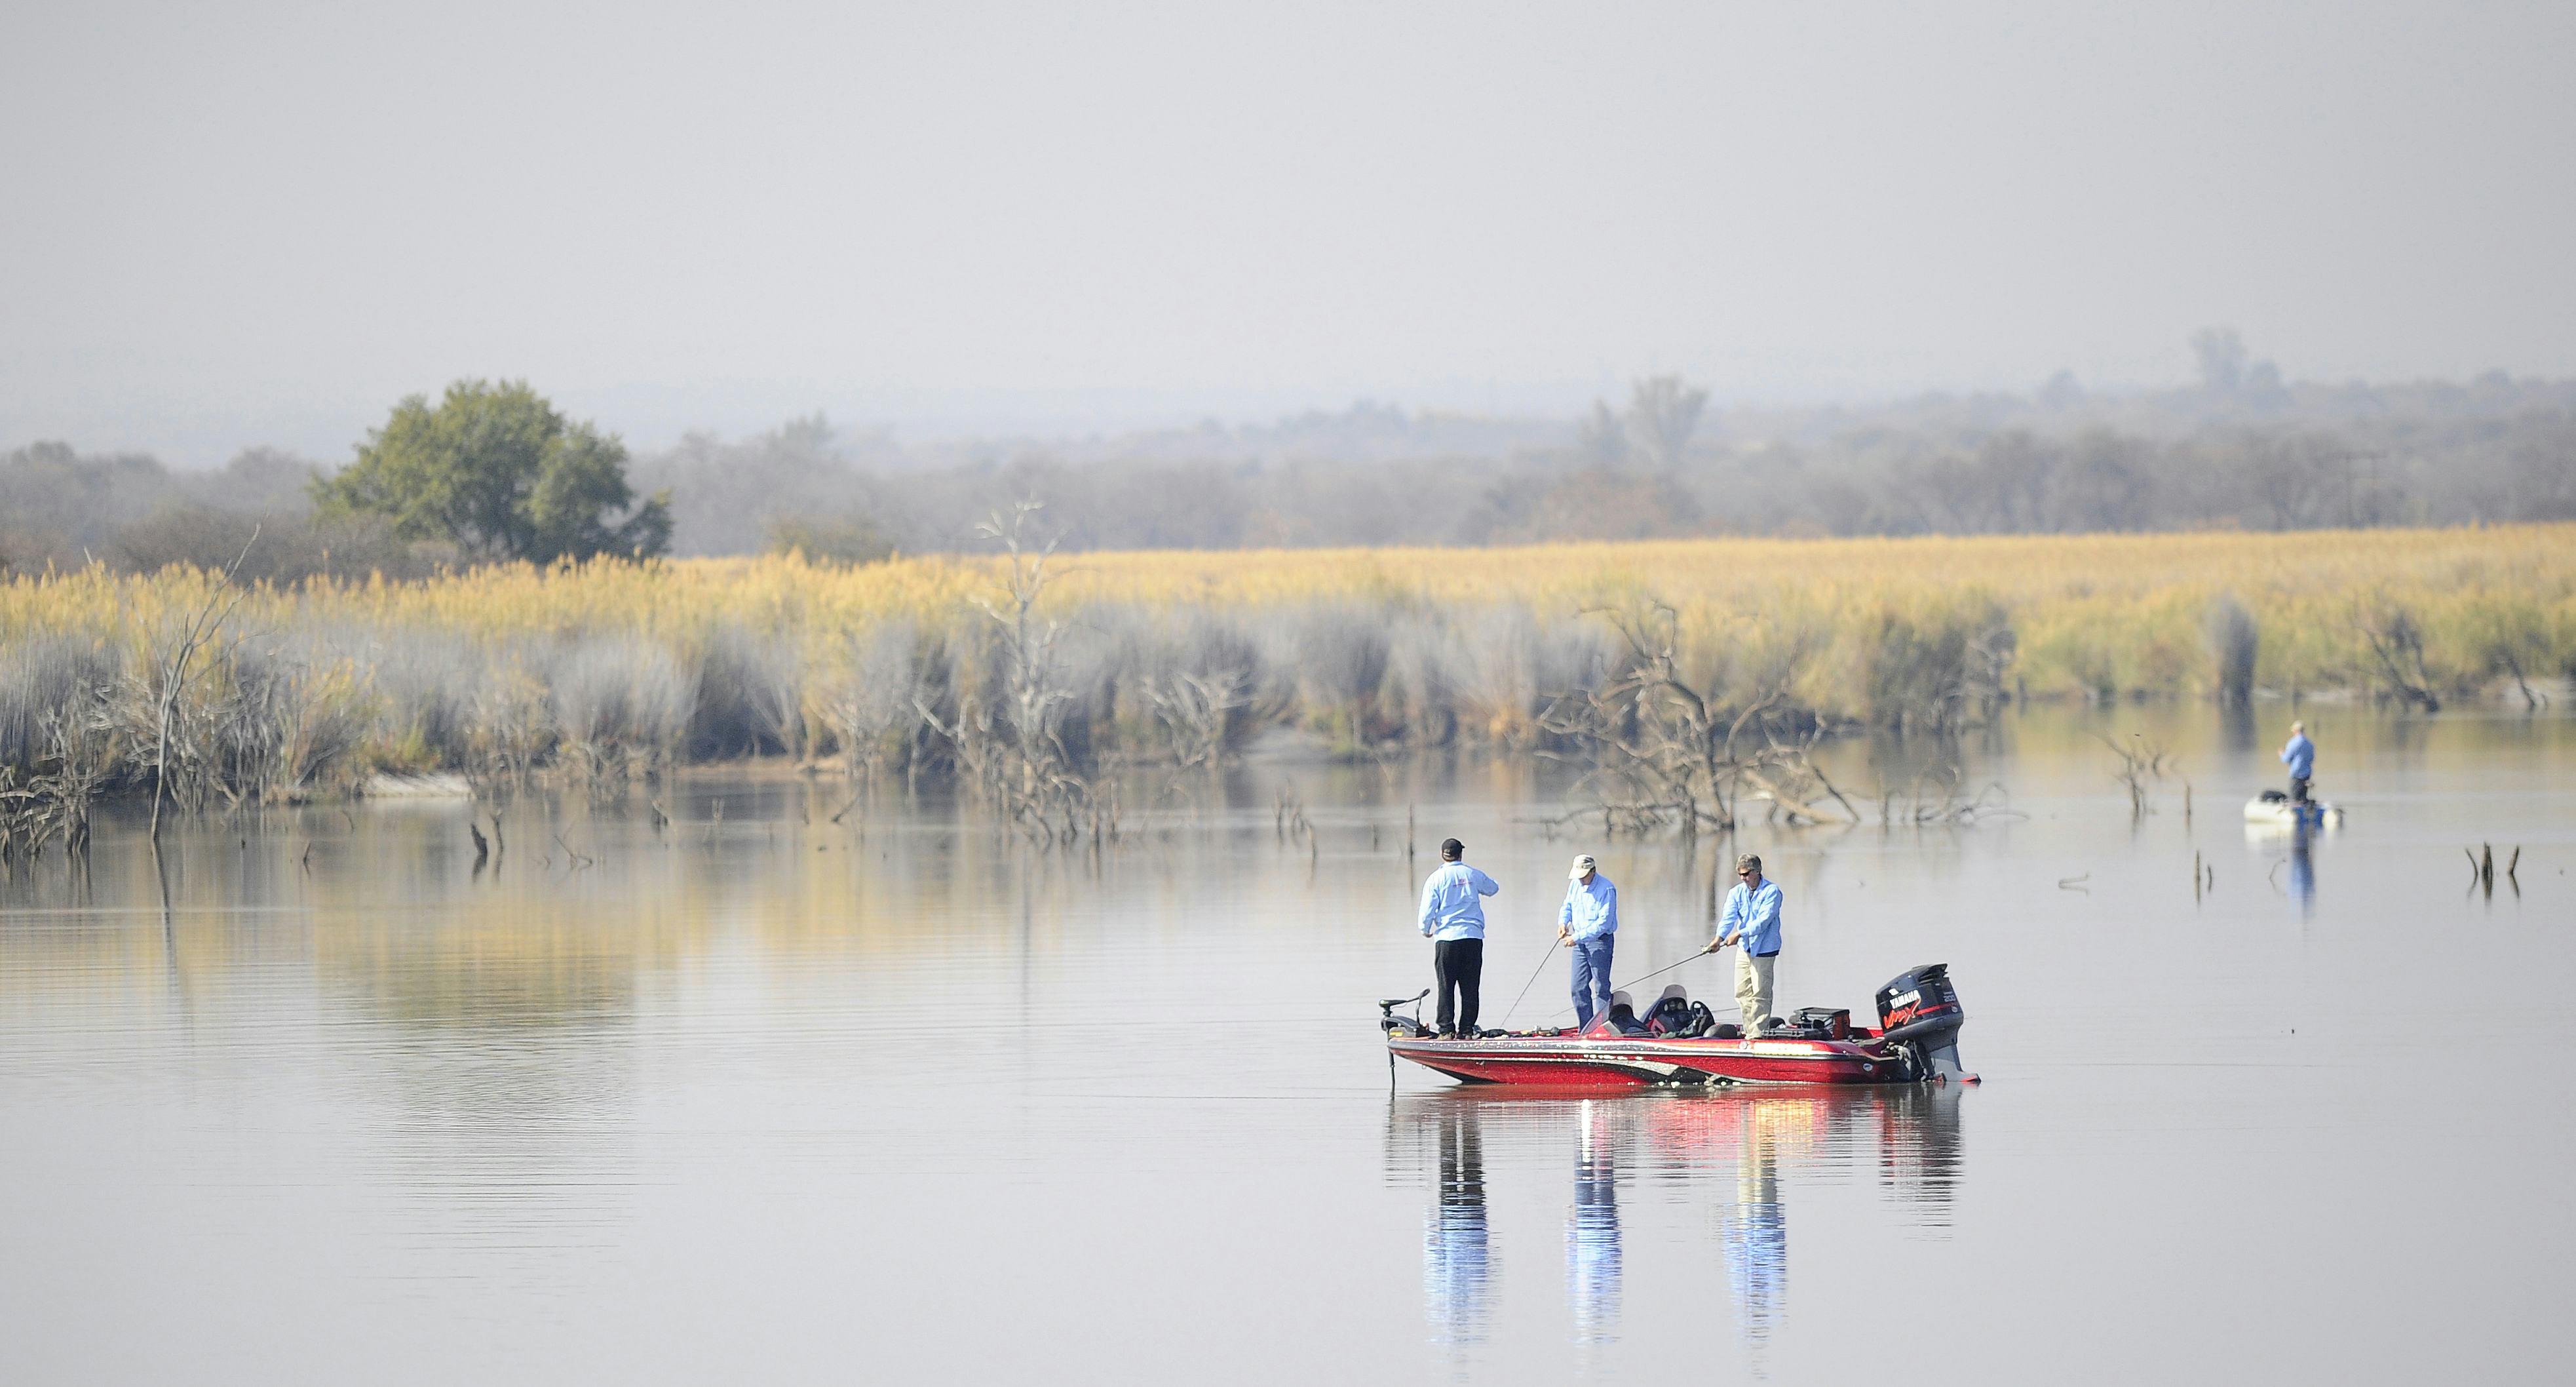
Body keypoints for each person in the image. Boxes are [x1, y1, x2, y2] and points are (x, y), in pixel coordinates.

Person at [1418, 837, 1499, 1038]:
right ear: (1460, 854)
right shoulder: (1471, 874)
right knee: (1470, 987)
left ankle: (1446, 1030)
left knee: (1446, 987)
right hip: (1472, 938)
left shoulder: (1435, 879)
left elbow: (1427, 911)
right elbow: (1493, 888)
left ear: (1442, 855)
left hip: (1447, 939)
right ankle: (1466, 1030)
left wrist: (1425, 929)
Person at [1704, 853, 1783, 1035]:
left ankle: (1758, 1034)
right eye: (1740, 874)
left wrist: (1739, 934)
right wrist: (1718, 939)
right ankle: (1750, 1032)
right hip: (1744, 949)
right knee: (1742, 993)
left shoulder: (1772, 892)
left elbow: (1762, 923)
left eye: (1746, 874)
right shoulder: (1736, 893)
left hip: (1765, 949)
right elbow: (1728, 918)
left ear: (1757, 871)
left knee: (1760, 993)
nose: (1743, 878)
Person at [1558, 853, 1619, 1028]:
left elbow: (1603, 923)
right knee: (1577, 987)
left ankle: (1603, 1027)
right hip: (1579, 943)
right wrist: (1563, 922)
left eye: (1584, 876)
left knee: (1601, 987)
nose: (1581, 879)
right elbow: (1567, 906)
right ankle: (1586, 1027)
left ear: (1593, 871)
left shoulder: (1607, 889)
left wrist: (1576, 938)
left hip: (1600, 942)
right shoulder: (1575, 885)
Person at [2280, 720, 2315, 803]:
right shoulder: (2309, 743)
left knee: (2294, 799)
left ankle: (2295, 810)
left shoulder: (2293, 743)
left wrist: (2281, 754)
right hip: (2307, 775)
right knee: (2303, 799)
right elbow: (2311, 758)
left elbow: (2286, 759)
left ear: (2295, 730)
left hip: (2296, 775)